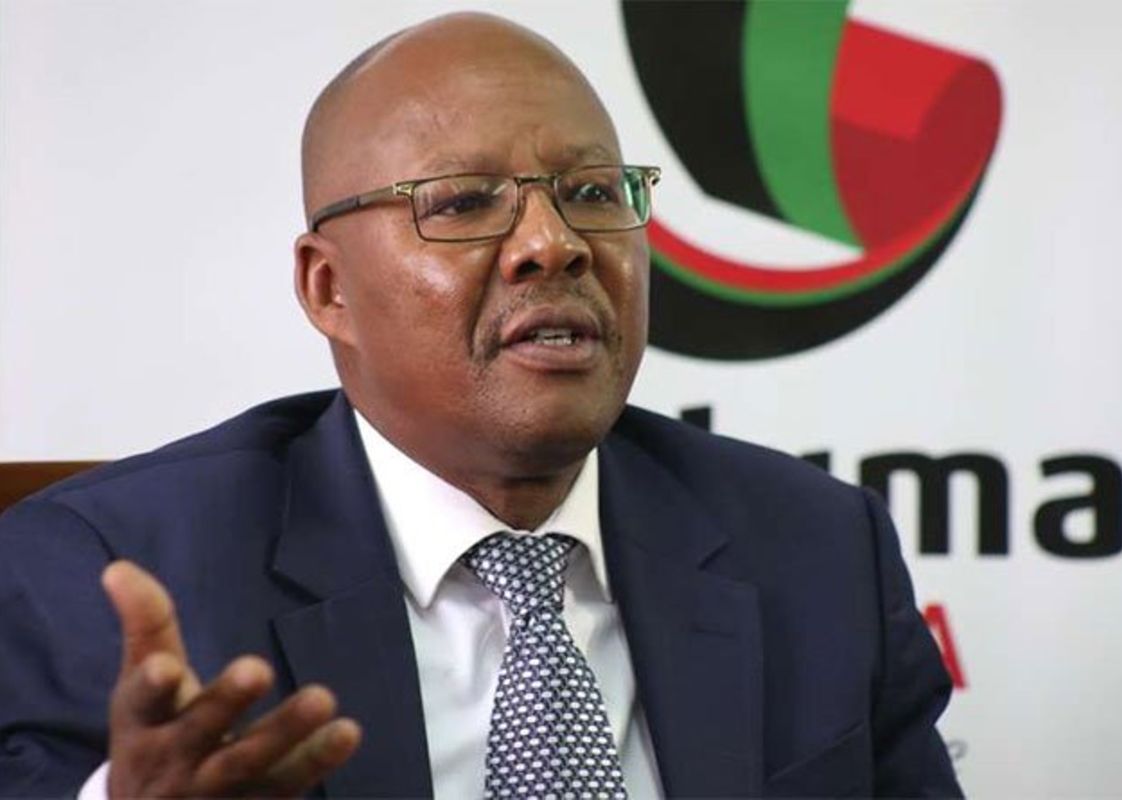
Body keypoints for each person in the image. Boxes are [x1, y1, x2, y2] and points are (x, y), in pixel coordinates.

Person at [0, 12, 961, 798]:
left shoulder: (817, 550)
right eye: (463, 203)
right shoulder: (109, 574)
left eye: (592, 192)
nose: (554, 243)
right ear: (330, 289)